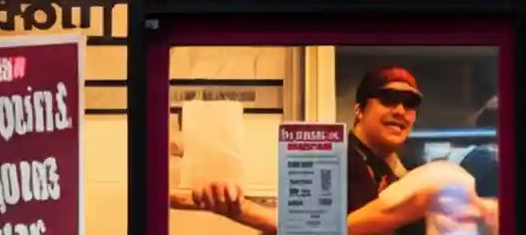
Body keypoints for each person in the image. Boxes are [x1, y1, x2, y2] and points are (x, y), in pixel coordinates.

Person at [189, 65, 495, 234]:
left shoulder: (408, 172)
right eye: (388, 99)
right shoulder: (330, 160)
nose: (401, 110)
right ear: (360, 110)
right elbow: (298, 230)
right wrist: (237, 206)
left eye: (410, 104)